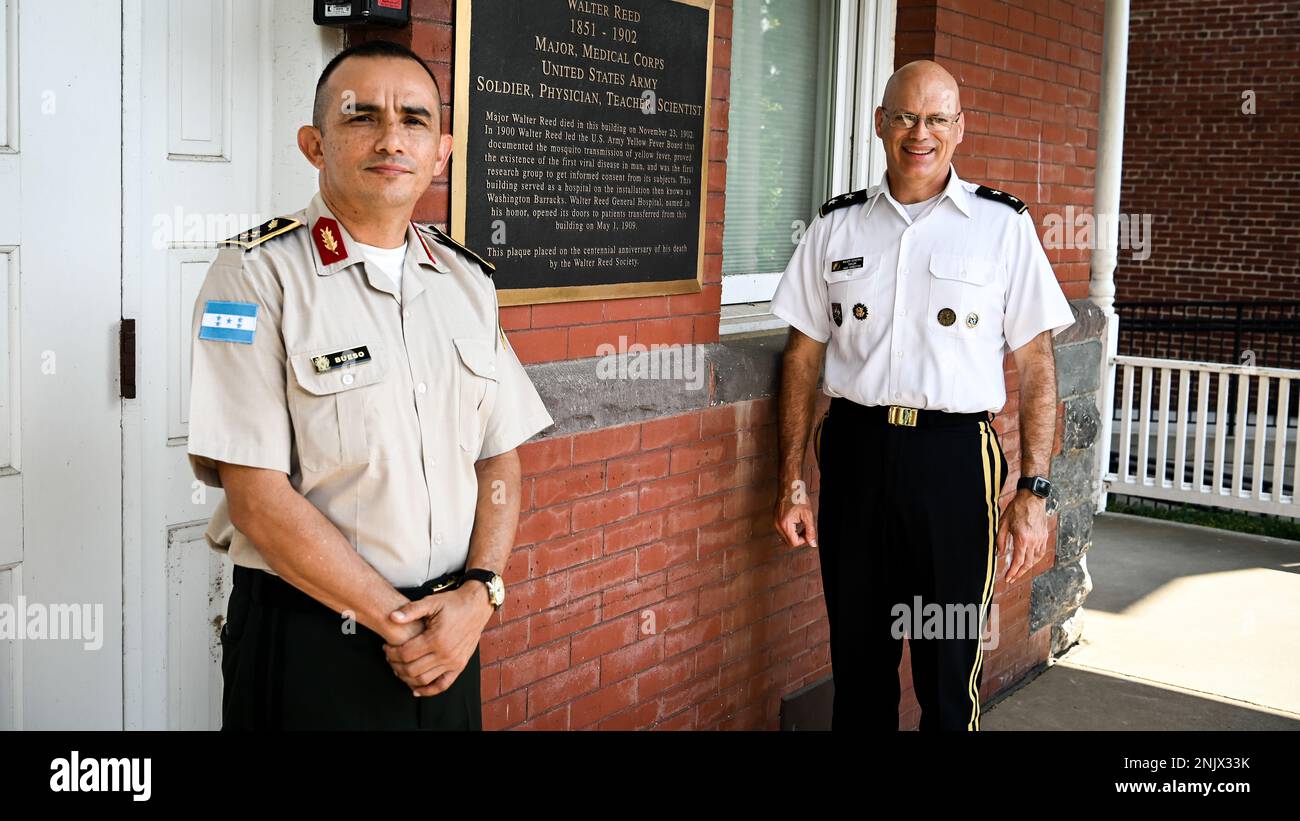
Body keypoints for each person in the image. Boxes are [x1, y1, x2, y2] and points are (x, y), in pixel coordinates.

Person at [187, 40, 553, 730]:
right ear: (314, 144)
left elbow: (498, 453)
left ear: (440, 150)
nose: (392, 137)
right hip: (316, 644)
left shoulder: (468, 282)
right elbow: (257, 498)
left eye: (414, 119)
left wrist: (481, 592)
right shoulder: (253, 277)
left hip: (451, 635)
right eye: (361, 117)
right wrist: (407, 626)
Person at [770, 60, 1075, 731]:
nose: (920, 132)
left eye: (937, 118)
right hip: (855, 451)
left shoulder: (1002, 226)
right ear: (880, 123)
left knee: (947, 671)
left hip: (955, 461)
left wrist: (1035, 489)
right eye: (906, 116)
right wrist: (791, 478)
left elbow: (1037, 362)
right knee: (859, 666)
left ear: (959, 129)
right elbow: (801, 356)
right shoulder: (835, 227)